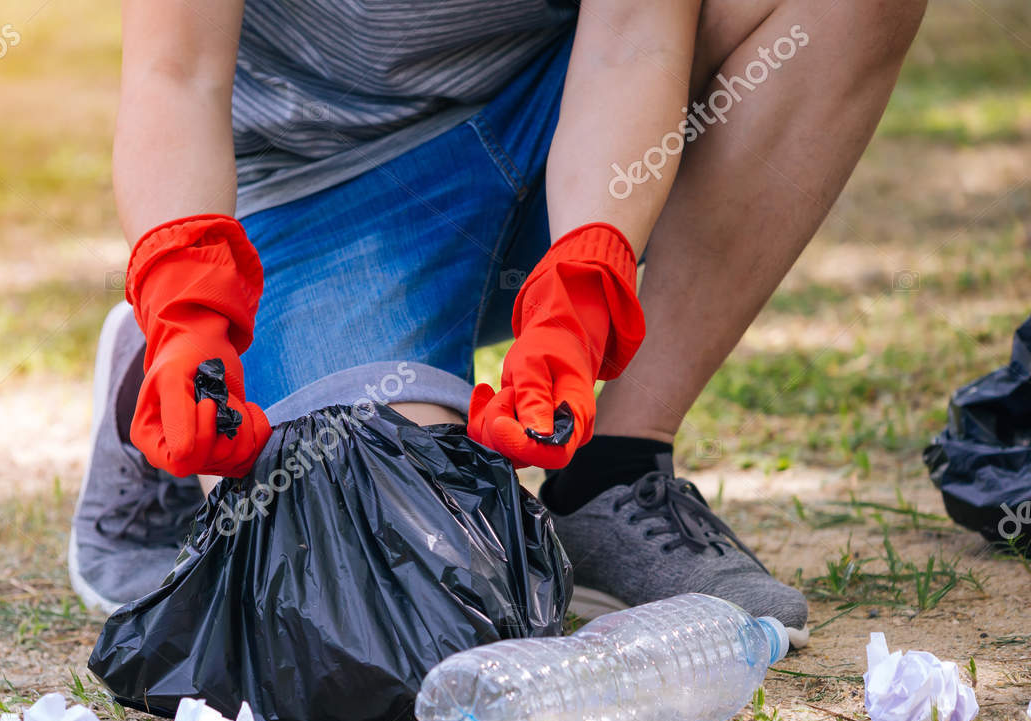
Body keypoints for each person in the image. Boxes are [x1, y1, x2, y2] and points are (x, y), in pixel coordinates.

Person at [69, 0, 929, 648]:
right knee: (413, 599)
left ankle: (613, 471)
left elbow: (633, 38)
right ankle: (169, 356)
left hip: (558, 116)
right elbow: (172, 74)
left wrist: (584, 283)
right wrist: (189, 301)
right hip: (321, 190)